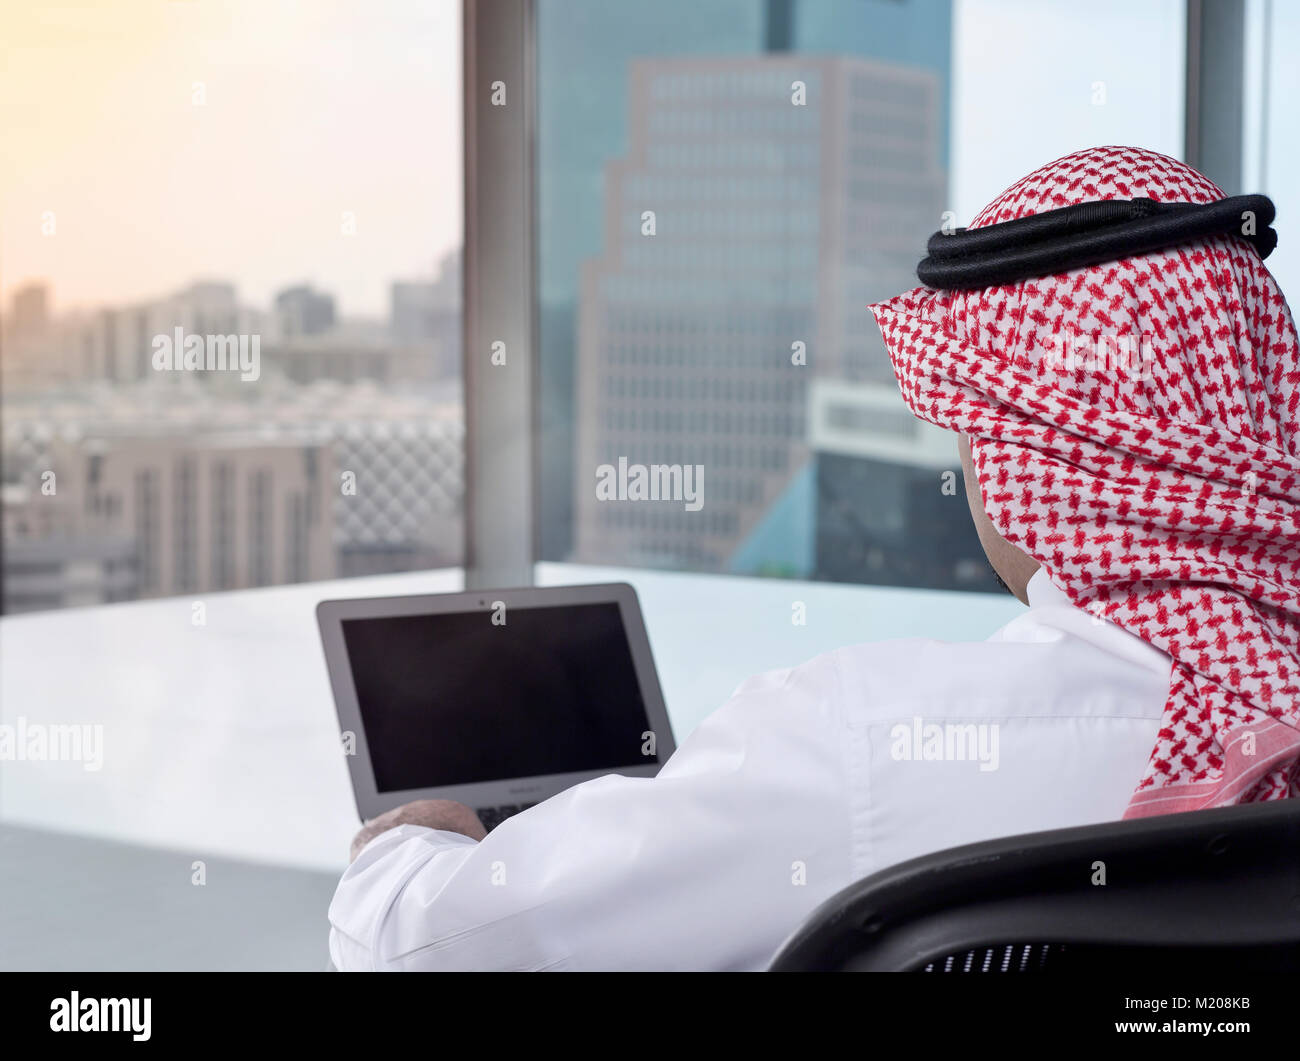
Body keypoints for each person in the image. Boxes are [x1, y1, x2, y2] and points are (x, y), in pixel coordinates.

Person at [328, 146, 1300, 971]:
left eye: (972, 430)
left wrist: (411, 847)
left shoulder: (861, 739)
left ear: (1024, 449)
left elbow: (444, 948)